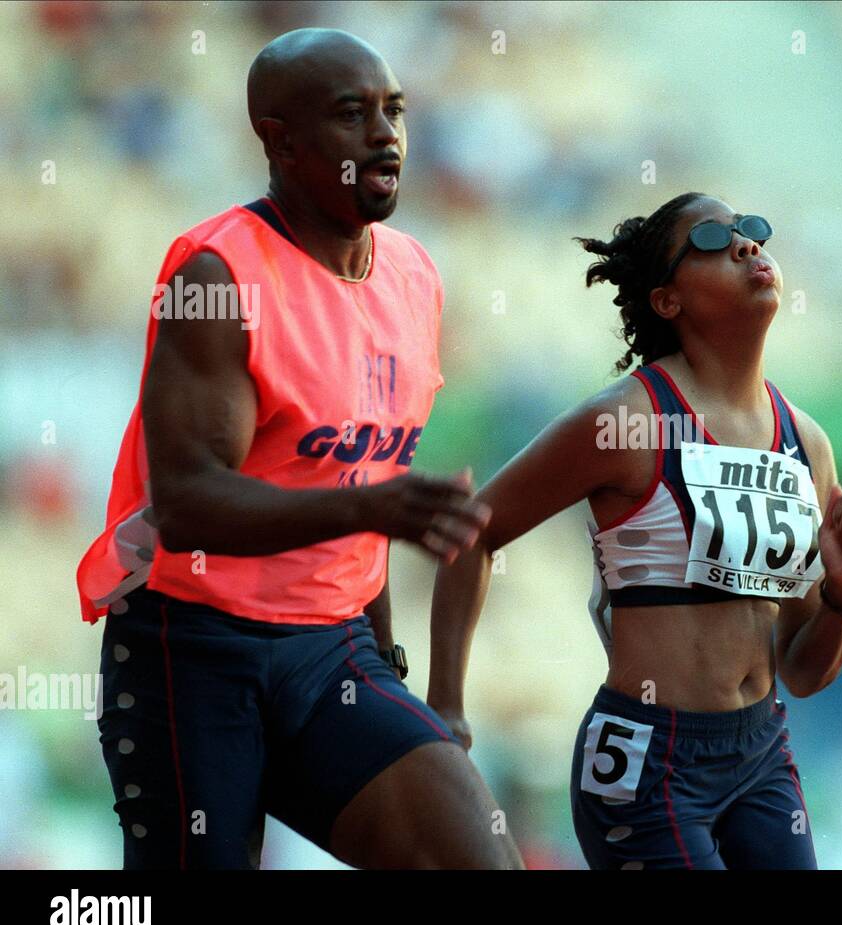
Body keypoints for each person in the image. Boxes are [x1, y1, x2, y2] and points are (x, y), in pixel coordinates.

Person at [76, 28, 522, 870]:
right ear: (280, 140)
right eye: (352, 115)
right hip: (190, 644)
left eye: (394, 111)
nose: (385, 136)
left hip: (332, 646)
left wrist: (385, 654)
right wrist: (371, 508)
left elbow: (364, 475)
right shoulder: (217, 275)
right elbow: (189, 503)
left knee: (479, 857)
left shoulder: (414, 275)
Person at [427, 192, 842, 869]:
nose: (747, 245)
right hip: (647, 758)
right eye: (711, 241)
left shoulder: (807, 444)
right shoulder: (628, 421)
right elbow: (473, 533)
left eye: (752, 231)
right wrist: (446, 710)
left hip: (761, 753)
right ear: (667, 300)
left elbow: (803, 671)